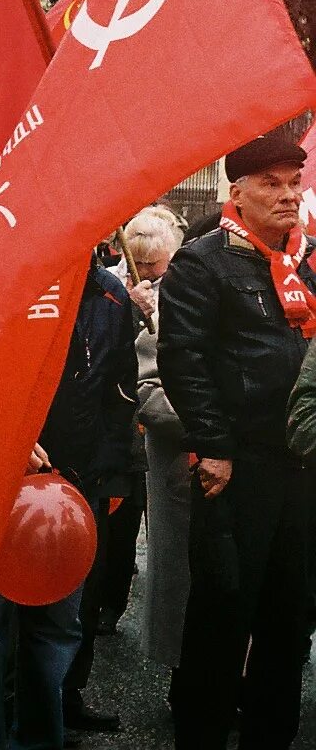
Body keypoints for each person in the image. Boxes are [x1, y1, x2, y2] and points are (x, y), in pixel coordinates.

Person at [158, 132, 316, 749]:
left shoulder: (307, 261)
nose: (286, 196)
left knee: (290, 618)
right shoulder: (204, 262)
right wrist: (213, 445)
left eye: (293, 184)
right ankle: (200, 734)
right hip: (240, 466)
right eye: (271, 185)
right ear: (238, 192)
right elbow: (183, 359)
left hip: (302, 467)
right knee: (225, 614)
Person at [0, 261, 135, 750]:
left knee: (55, 628)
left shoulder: (110, 293)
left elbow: (120, 392)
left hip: (74, 490)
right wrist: (7, 438)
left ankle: (39, 739)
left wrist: (107, 477)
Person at [126, 205, 191, 668]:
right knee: (176, 572)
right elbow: (149, 391)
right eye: (140, 263)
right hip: (174, 456)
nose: (147, 273)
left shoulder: (186, 293)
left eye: (155, 263)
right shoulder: (145, 299)